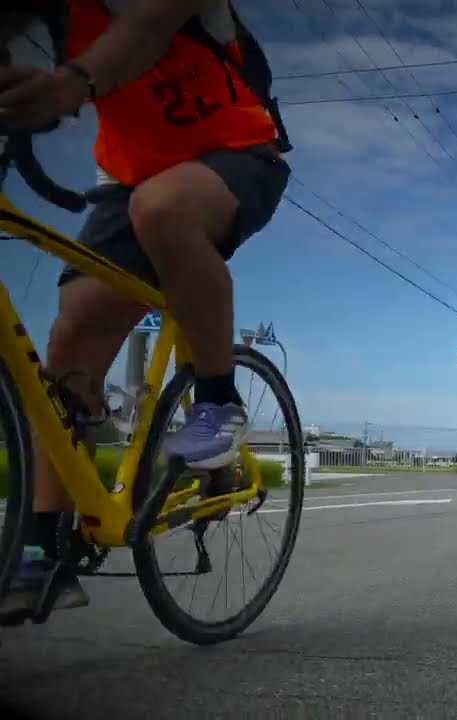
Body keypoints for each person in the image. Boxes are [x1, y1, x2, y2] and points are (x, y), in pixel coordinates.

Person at [0, 1, 292, 622]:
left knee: (164, 211)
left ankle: (217, 402)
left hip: (237, 153)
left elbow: (144, 29)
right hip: (129, 178)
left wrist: (65, 87)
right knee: (68, 343)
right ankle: (41, 550)